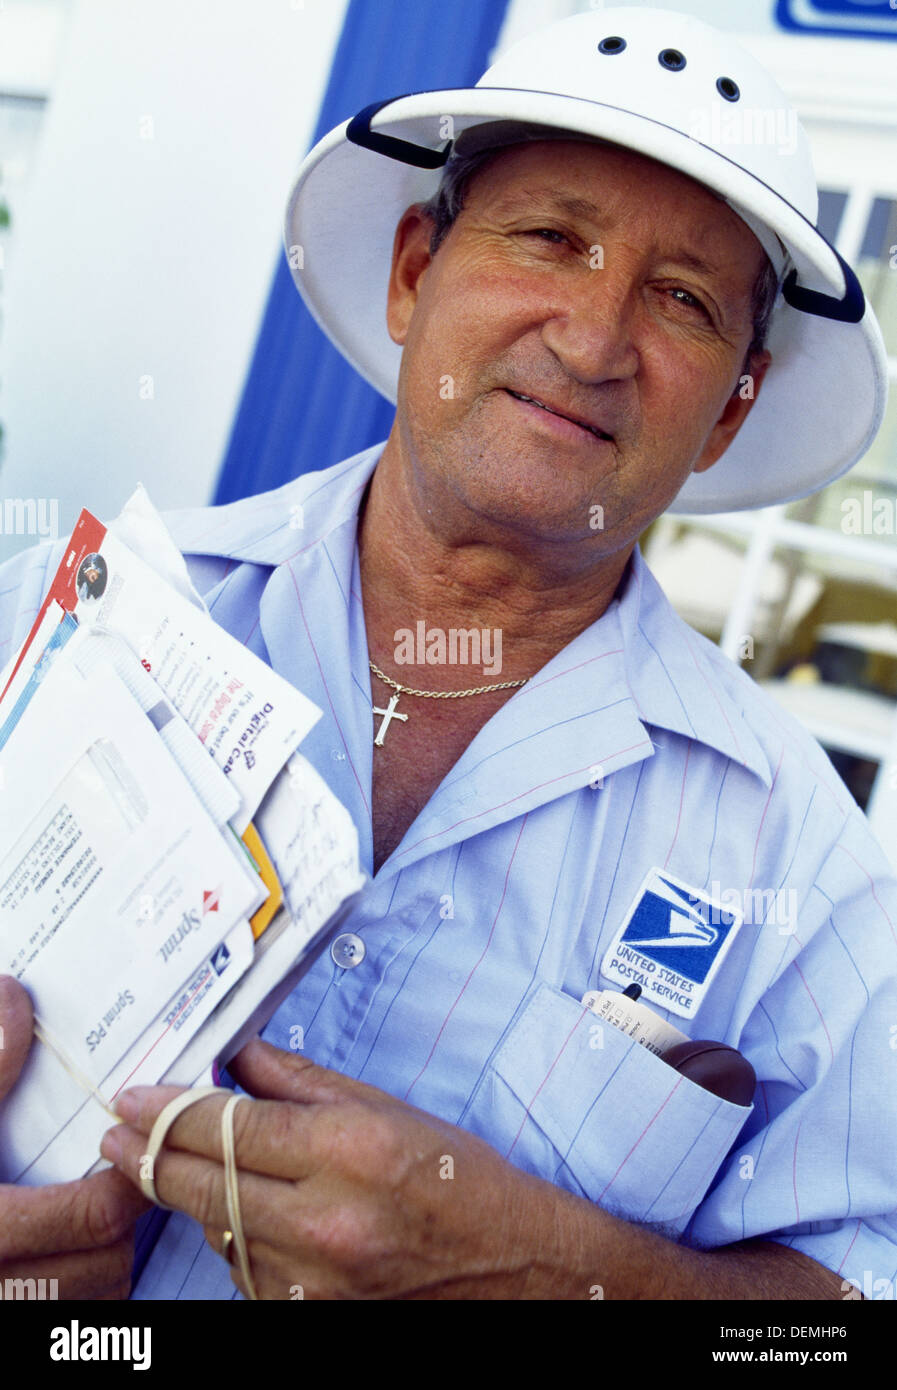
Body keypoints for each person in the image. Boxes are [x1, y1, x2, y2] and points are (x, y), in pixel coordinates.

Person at [1, 7, 894, 1301]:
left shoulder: (804, 875)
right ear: (415, 270)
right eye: (549, 238)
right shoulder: (63, 621)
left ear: (728, 409)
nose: (590, 342)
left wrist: (546, 1272)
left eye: (682, 300)